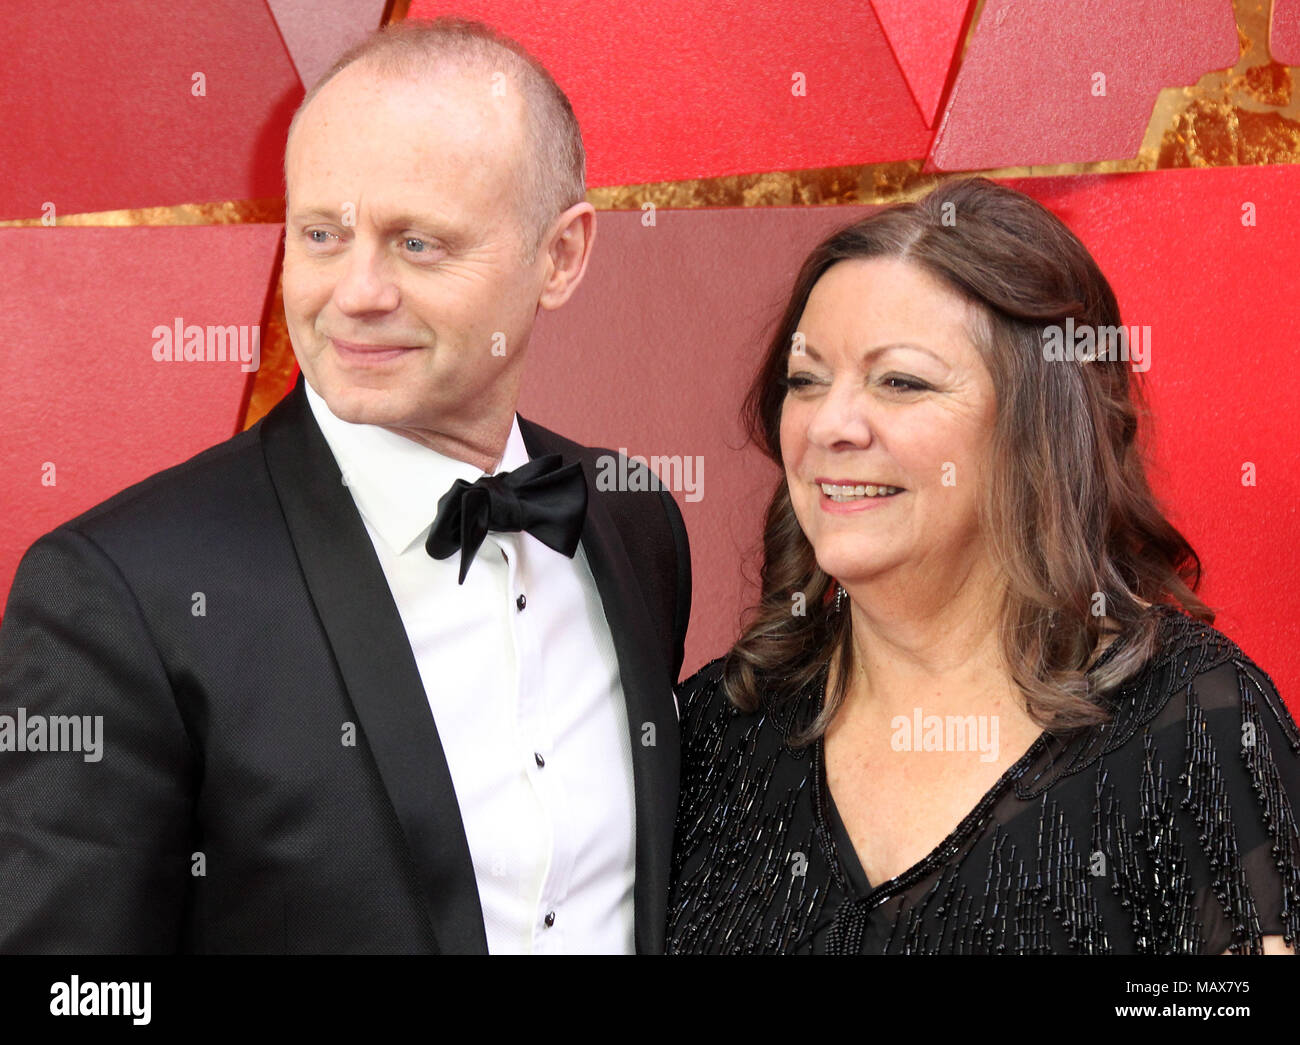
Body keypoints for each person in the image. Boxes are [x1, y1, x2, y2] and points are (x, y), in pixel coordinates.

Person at [0, 18, 690, 955]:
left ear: (560, 256)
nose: (355, 291)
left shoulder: (631, 519)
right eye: (322, 234)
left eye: (418, 243)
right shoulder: (118, 594)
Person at [667, 177, 1299, 954]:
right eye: (806, 380)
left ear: (1039, 425)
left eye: (900, 381)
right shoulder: (717, 728)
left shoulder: (1192, 723)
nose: (830, 423)